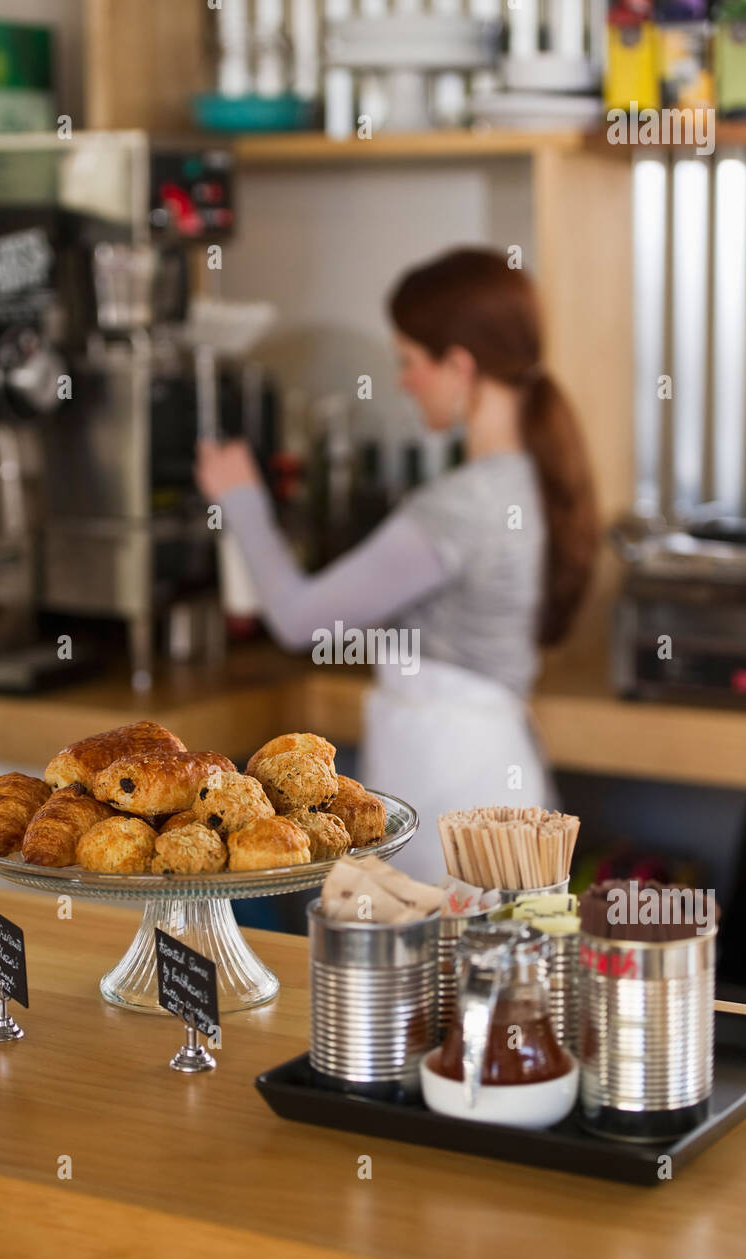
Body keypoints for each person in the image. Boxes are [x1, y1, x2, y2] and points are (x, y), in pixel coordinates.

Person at [195, 247, 599, 879]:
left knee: (427, 973)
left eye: (410, 361)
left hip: (451, 789)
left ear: (459, 366)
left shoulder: (464, 505)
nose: (404, 381)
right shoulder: (524, 481)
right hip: (491, 776)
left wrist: (240, 498)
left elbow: (300, 618)